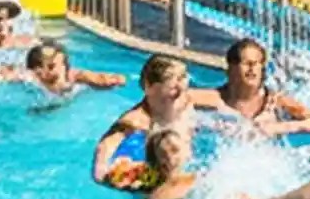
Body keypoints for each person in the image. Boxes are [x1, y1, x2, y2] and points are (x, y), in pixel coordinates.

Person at [92, 54, 222, 187]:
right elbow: (107, 144)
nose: (180, 90)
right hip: (163, 180)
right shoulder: (138, 120)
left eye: (183, 79)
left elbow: (224, 102)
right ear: (149, 87)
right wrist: (102, 168)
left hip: (193, 167)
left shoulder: (186, 100)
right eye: (172, 87)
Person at [192, 39, 310, 139]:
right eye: (246, 63)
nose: (252, 67)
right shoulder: (217, 99)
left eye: (257, 63)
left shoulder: (275, 102)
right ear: (230, 70)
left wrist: (279, 128)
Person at [0, 42, 127, 94]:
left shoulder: (72, 76)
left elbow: (96, 78)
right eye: (55, 66)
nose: (62, 69)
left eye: (64, 64)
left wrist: (113, 80)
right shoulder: (33, 77)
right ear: (39, 70)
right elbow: (1, 76)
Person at [140, 129, 199, 199]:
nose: (171, 159)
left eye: (175, 150)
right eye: (164, 155)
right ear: (159, 164)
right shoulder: (157, 198)